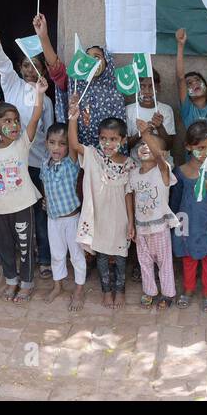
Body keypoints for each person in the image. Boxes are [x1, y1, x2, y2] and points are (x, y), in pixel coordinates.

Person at [0, 3, 55, 277]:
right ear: (20, 67)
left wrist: (49, 165)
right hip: (10, 165)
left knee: (40, 213)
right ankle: (16, 261)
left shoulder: (45, 99)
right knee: (13, 214)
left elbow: (47, 132)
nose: (30, 70)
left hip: (36, 164)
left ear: (43, 70)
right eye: (26, 65)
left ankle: (43, 259)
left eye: (36, 66)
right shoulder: (11, 84)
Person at [0, 76, 48, 303]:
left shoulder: (22, 143)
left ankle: (27, 283)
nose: (14, 125)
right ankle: (11, 280)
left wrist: (39, 94)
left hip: (23, 205)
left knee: (25, 246)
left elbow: (35, 117)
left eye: (16, 121)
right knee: (5, 247)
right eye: (7, 121)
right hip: (0, 209)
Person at [69, 101, 134, 309]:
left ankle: (120, 290)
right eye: (103, 138)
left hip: (120, 218)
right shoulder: (93, 156)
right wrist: (73, 118)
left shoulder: (129, 164)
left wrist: (131, 222)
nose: (107, 143)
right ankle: (106, 291)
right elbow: (74, 144)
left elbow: (129, 194)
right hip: (99, 217)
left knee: (121, 256)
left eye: (113, 139)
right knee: (103, 256)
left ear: (123, 140)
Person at [169, 121, 207, 312]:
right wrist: (172, 223)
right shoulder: (180, 172)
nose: (206, 152)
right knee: (189, 258)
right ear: (188, 146)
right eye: (201, 148)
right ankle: (188, 290)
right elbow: (175, 201)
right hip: (186, 223)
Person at [129, 121, 178, 309]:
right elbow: (131, 197)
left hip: (159, 228)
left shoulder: (163, 170)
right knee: (144, 262)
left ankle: (168, 293)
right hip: (141, 228)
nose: (145, 146)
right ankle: (149, 291)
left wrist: (146, 134)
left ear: (163, 154)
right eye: (142, 144)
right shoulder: (134, 174)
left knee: (164, 263)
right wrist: (132, 224)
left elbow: (157, 155)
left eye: (150, 144)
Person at [40, 122, 86, 311]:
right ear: (46, 143)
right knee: (57, 255)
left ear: (68, 146)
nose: (56, 147)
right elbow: (44, 184)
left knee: (76, 256)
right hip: (53, 219)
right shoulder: (44, 164)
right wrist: (46, 199)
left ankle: (79, 290)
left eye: (62, 143)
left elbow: (75, 143)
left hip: (71, 219)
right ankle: (58, 286)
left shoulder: (71, 163)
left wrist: (73, 118)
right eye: (52, 142)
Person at [70, 45, 128, 148]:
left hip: (109, 149)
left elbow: (119, 128)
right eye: (87, 57)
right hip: (82, 149)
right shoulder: (76, 88)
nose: (92, 61)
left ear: (107, 62)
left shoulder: (115, 93)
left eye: (96, 57)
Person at [175, 26, 207, 129]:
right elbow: (180, 78)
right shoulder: (187, 109)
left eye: (198, 80)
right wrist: (180, 45)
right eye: (189, 83)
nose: (195, 83)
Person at [126, 69, 176, 153]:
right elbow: (126, 146)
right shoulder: (129, 110)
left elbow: (169, 145)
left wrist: (160, 127)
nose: (147, 91)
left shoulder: (166, 110)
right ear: (136, 89)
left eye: (151, 86)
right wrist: (141, 133)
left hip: (161, 160)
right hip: (136, 160)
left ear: (158, 88)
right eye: (142, 87)